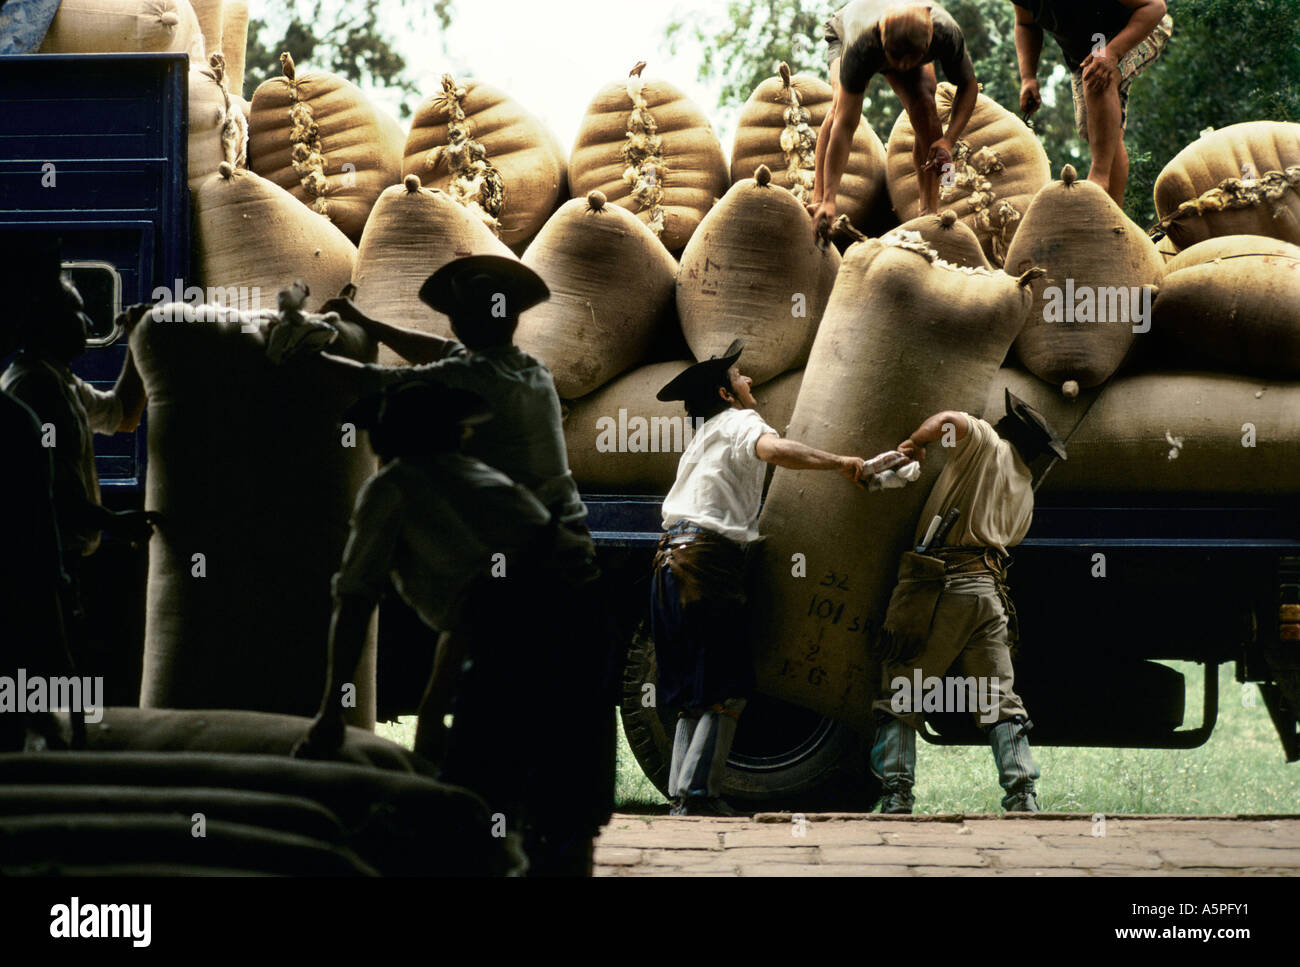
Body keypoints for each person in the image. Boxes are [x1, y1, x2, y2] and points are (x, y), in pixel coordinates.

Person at [293, 380, 608, 875]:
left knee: (472, 792)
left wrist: (332, 710)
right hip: (576, 621)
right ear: (457, 436)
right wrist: (434, 708)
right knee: (555, 797)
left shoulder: (391, 487)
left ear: (385, 438)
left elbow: (356, 601)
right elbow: (476, 606)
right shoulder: (482, 480)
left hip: (526, 633)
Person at [652, 340, 908, 816]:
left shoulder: (704, 435)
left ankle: (681, 797)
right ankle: (699, 796)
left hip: (669, 562)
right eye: (740, 377)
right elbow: (776, 451)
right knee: (727, 686)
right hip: (708, 563)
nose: (749, 380)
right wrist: (844, 462)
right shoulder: (741, 423)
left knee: (692, 689)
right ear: (727, 395)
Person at [869, 390, 1067, 814]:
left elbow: (949, 421)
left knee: (901, 690)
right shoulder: (1026, 491)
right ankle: (1022, 795)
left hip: (943, 586)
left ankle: (897, 794)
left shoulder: (986, 444)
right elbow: (1010, 541)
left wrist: (916, 443)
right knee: (999, 697)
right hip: (989, 595)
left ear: (1005, 430)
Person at [811, 0, 978, 237]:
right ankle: (820, 199)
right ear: (881, 34)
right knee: (840, 107)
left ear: (930, 37)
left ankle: (929, 211)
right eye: (896, 56)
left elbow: (969, 87)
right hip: (845, 31)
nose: (902, 66)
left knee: (925, 106)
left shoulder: (946, 32)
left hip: (902, 41)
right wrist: (830, 199)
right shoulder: (862, 45)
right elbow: (845, 127)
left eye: (911, 58)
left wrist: (948, 141)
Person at [1012, 0, 1172, 207]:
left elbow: (1155, 7)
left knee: (1097, 79)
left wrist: (1111, 53)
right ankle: (1113, 217)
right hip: (1085, 53)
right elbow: (1026, 24)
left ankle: (1097, 183)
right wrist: (1028, 77)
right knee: (1098, 132)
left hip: (1142, 26)